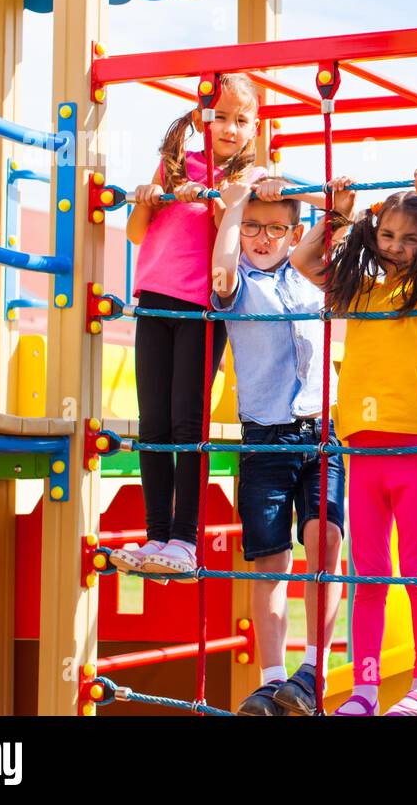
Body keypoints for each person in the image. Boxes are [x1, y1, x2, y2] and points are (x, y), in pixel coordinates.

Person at [296, 171, 417, 716]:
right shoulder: (359, 291)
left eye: (410, 238)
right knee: (367, 573)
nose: (396, 247)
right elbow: (304, 263)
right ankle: (365, 687)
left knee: (416, 568)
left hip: (415, 448)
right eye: (388, 235)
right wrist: (338, 214)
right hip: (361, 452)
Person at [110, 74, 267, 580]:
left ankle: (185, 540)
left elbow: (244, 242)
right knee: (152, 424)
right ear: (202, 118)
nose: (228, 127)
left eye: (240, 120)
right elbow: (137, 233)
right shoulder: (177, 165)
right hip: (154, 300)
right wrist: (148, 200)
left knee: (186, 423)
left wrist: (228, 204)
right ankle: (156, 534)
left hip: (202, 308)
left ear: (254, 126)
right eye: (219, 116)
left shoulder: (251, 176)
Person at [209, 177, 347, 715]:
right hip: (265, 437)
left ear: (294, 234)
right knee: (269, 559)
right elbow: (224, 262)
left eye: (275, 229)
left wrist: (293, 188)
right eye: (252, 228)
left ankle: (312, 669)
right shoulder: (236, 284)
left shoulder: (311, 275)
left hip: (318, 434)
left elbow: (341, 206)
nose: (262, 238)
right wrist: (238, 200)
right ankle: (270, 679)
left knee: (326, 537)